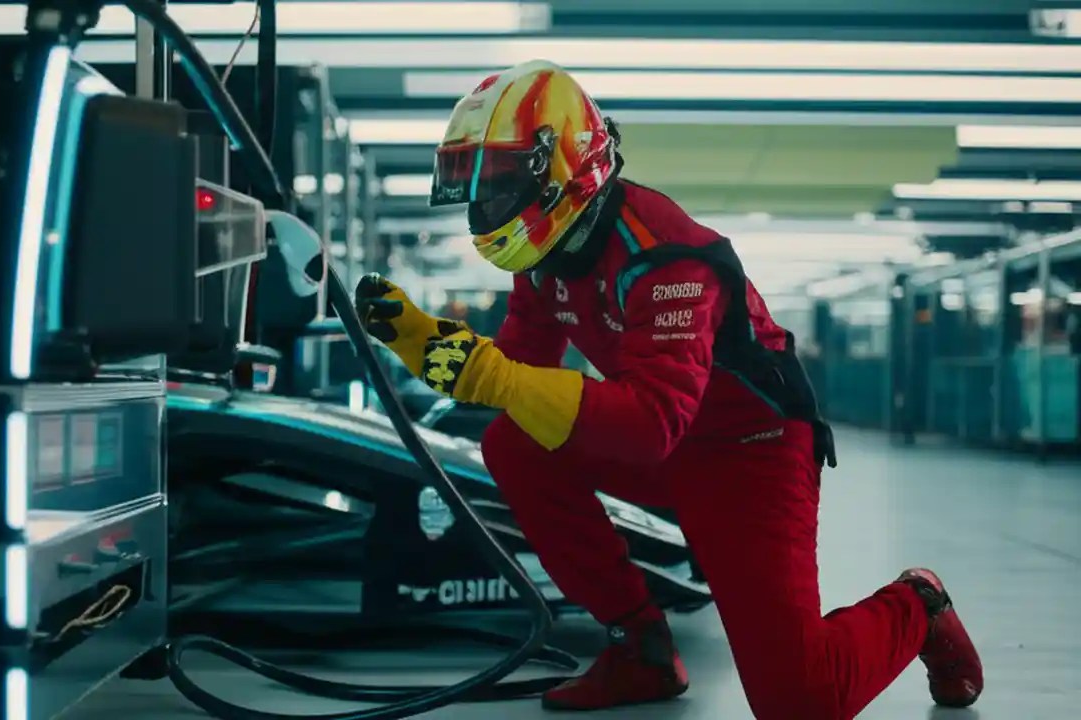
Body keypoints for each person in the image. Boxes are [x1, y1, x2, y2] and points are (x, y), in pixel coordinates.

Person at [355, 60, 983, 719]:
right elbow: (516, 371)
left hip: (753, 455)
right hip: (670, 444)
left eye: (501, 184)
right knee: (513, 444)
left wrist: (492, 372)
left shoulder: (667, 257)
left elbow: (649, 423)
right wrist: (421, 341)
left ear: (561, 167)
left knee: (799, 703)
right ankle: (640, 648)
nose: (484, 208)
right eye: (477, 188)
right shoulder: (547, 258)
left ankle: (917, 605)